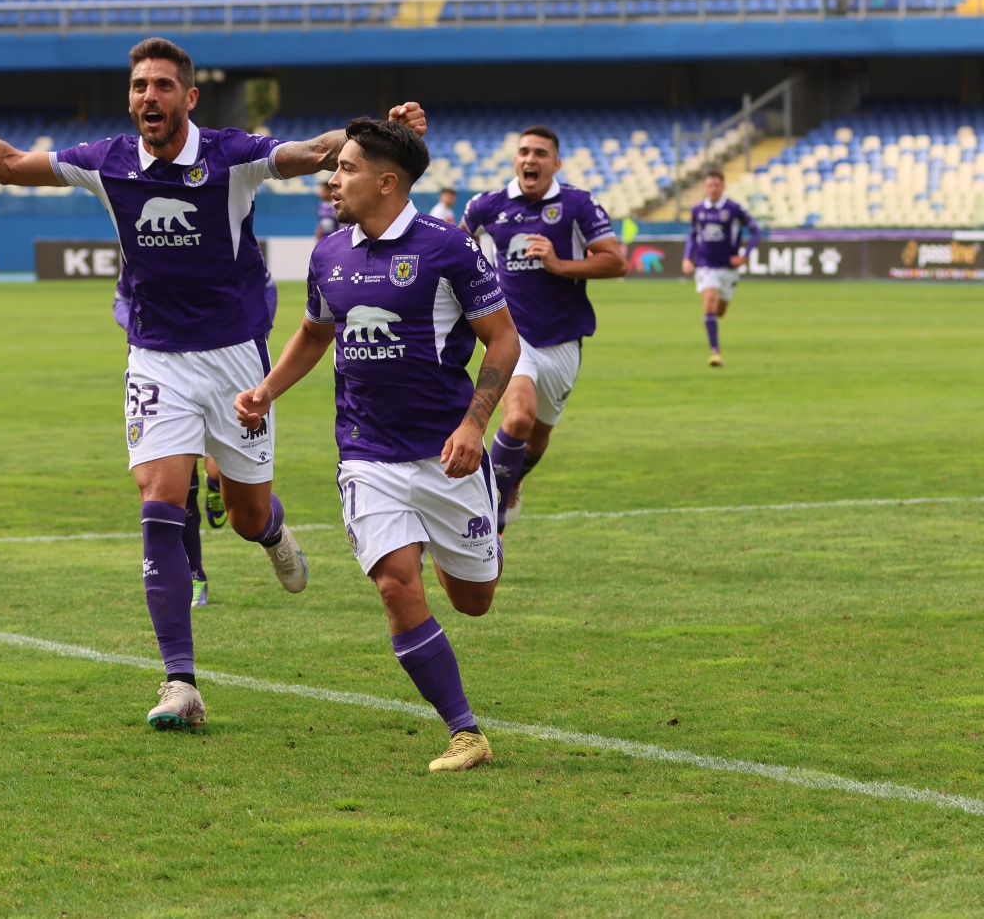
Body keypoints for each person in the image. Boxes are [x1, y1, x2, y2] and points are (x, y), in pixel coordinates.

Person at [0, 37, 427, 730]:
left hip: (237, 358)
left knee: (243, 514)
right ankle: (180, 682)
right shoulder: (108, 162)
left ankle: (271, 533)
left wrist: (377, 136)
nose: (149, 97)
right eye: (140, 86)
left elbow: (315, 151)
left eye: (162, 86)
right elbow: (3, 164)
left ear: (189, 97)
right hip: (156, 359)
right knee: (160, 501)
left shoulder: (232, 156)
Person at [236, 118, 520, 773]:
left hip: (449, 453)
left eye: (347, 168)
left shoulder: (448, 249)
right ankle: (465, 731)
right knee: (396, 585)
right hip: (366, 454)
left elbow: (503, 340)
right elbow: (314, 333)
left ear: (386, 182)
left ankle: (490, 517)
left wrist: (476, 424)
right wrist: (265, 391)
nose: (332, 179)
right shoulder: (329, 254)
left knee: (474, 599)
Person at [461, 126, 626, 536]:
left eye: (540, 153)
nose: (530, 159)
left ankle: (513, 479)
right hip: (512, 335)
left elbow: (615, 262)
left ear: (556, 163)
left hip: (564, 339)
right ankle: (490, 524)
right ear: (515, 160)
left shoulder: (577, 204)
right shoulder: (486, 205)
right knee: (517, 419)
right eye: (523, 152)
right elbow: (456, 250)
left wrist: (559, 265)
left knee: (536, 440)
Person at [112, 259, 280, 605]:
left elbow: (265, 289)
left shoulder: (227, 240)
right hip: (165, 372)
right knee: (174, 488)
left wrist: (256, 330)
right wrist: (149, 327)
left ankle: (219, 486)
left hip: (229, 368)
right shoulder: (141, 246)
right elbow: (121, 300)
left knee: (240, 498)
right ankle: (195, 574)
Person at [682, 170, 761, 368]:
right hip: (705, 265)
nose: (713, 189)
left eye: (717, 185)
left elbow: (756, 231)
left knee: (719, 311)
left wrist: (744, 255)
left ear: (723, 187)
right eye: (709, 185)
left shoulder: (734, 209)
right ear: (705, 187)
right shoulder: (697, 210)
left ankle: (711, 323)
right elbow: (692, 235)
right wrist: (686, 258)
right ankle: (715, 353)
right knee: (709, 302)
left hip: (728, 269)